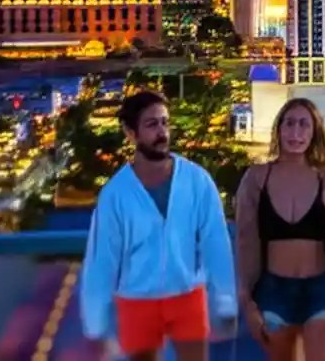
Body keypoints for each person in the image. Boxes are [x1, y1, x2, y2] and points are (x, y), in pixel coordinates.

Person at [80, 90, 237, 361]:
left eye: (165, 122)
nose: (162, 132)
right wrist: (96, 325)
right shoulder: (116, 194)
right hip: (137, 302)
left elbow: (216, 244)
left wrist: (225, 301)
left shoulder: (197, 181)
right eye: (152, 125)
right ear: (131, 133)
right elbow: (102, 260)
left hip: (187, 296)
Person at [235, 98, 325, 361]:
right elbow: (246, 241)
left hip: (320, 289)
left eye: (304, 125)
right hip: (273, 290)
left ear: (315, 132)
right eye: (289, 124)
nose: (295, 133)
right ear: (278, 129)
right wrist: (247, 300)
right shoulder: (257, 178)